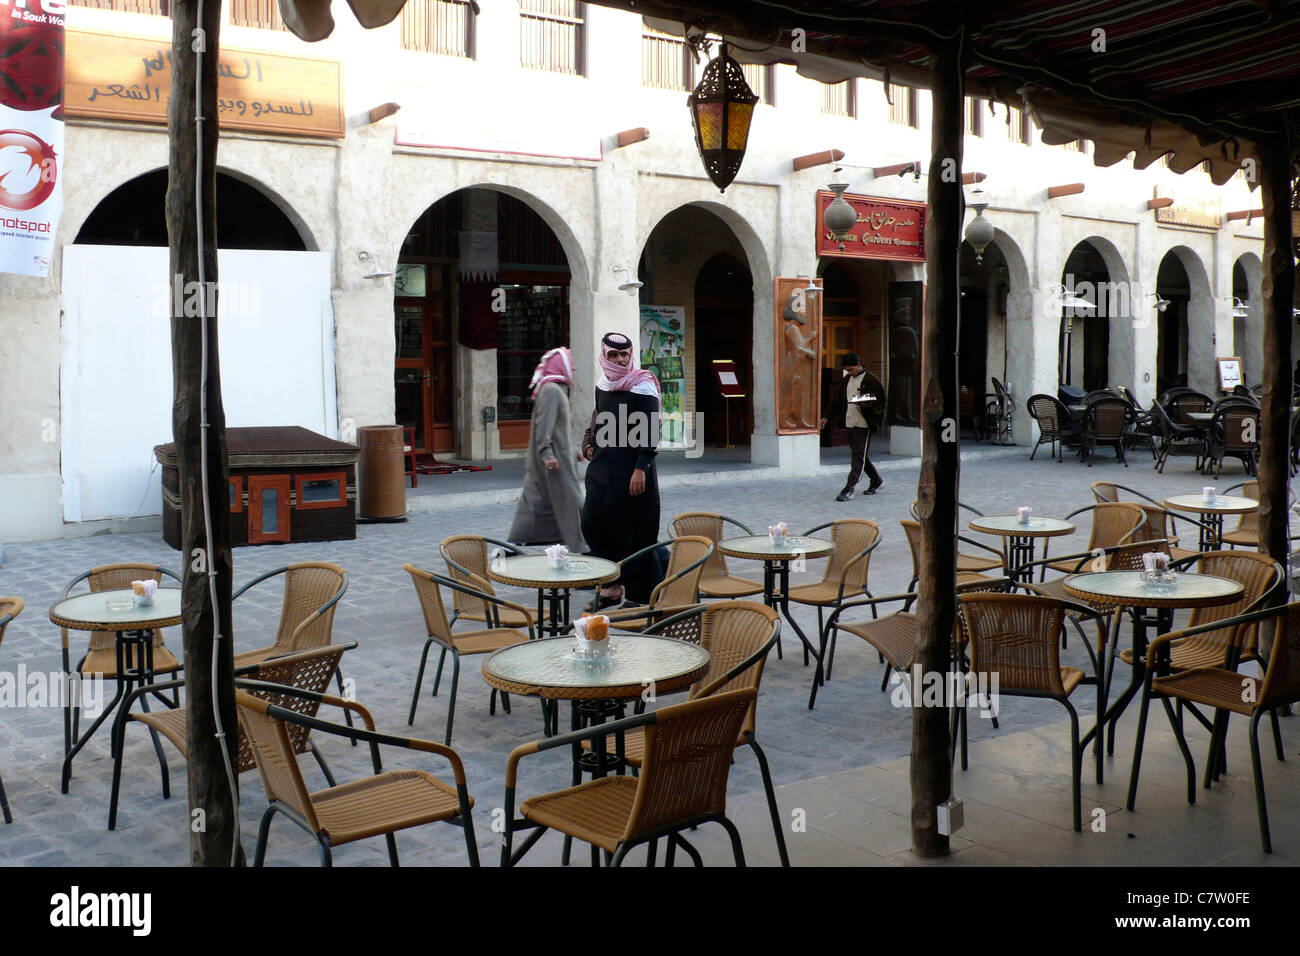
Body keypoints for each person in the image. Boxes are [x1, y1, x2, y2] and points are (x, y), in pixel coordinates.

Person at [580, 331, 662, 608]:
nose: (619, 359)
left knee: (634, 534)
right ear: (605, 355)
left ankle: (639, 598)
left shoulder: (642, 385)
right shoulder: (603, 385)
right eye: (613, 355)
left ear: (630, 354)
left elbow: (651, 430)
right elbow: (597, 416)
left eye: (624, 354)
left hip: (632, 473)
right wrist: (588, 443)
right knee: (595, 524)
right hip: (603, 472)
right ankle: (610, 587)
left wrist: (641, 468)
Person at [508, 347, 586, 554]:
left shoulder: (555, 389)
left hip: (560, 455)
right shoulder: (551, 390)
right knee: (572, 500)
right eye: (571, 363)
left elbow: (560, 429)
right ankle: (583, 546)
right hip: (555, 461)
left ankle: (515, 544)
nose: (575, 367)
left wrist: (573, 450)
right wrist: (547, 454)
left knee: (536, 498)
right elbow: (544, 426)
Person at [820, 352, 886, 501]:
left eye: (851, 369)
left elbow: (880, 400)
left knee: (857, 456)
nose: (849, 373)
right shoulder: (846, 380)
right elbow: (837, 400)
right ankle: (877, 481)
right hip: (850, 422)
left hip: (864, 424)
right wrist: (826, 416)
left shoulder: (871, 380)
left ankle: (849, 488)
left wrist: (860, 400)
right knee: (860, 455)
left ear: (858, 365)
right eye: (846, 370)